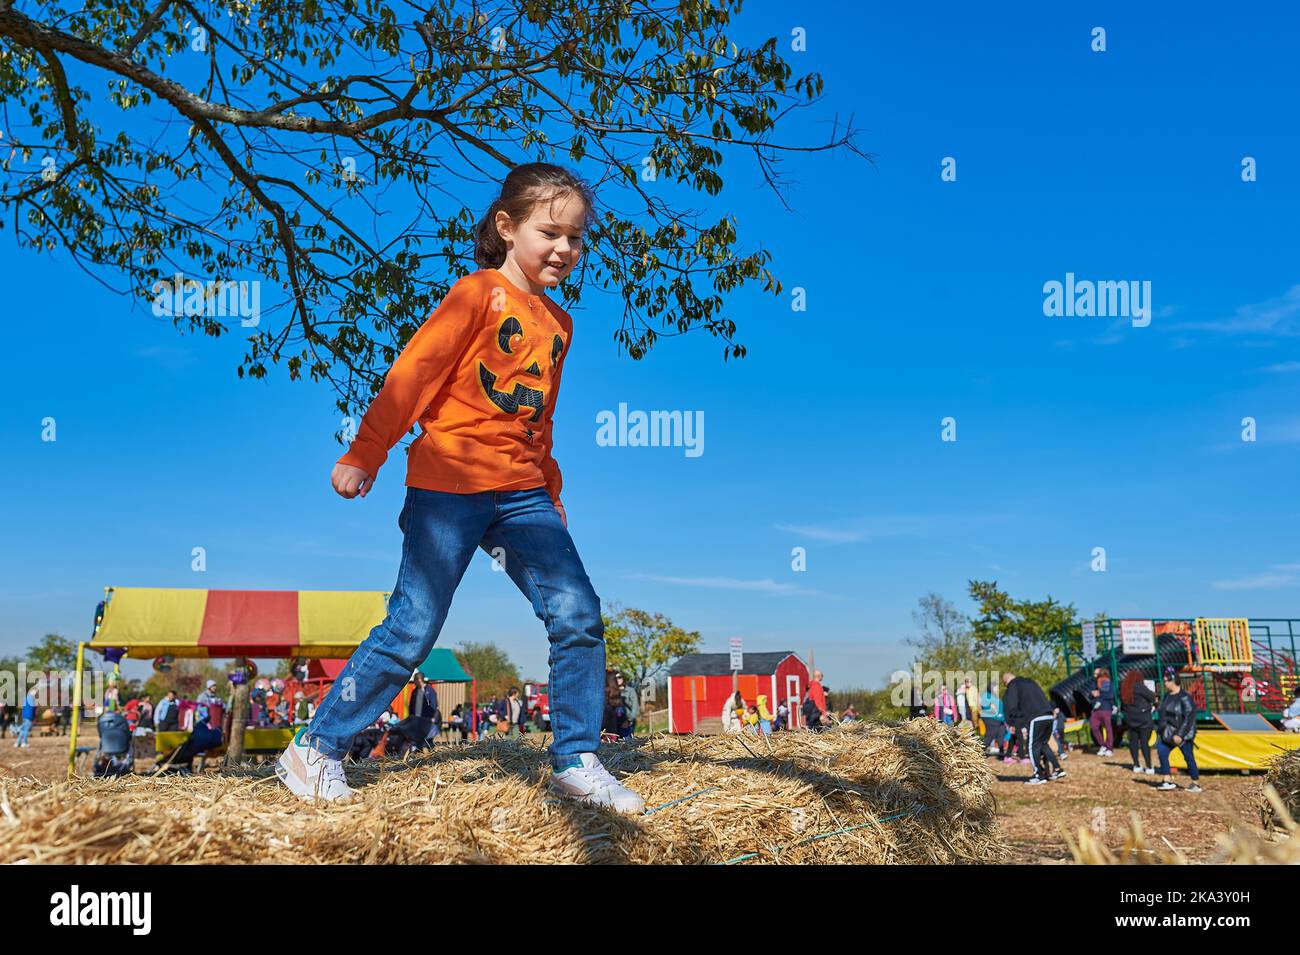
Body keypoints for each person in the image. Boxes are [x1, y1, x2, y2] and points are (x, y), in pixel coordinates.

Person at [276, 165, 642, 812]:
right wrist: (367, 451)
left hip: (524, 493)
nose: (565, 249)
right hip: (448, 483)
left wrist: (550, 495)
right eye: (550, 232)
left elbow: (540, 417)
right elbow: (412, 374)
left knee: (578, 613)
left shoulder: (560, 324)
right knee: (413, 625)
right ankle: (315, 747)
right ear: (507, 227)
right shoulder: (476, 295)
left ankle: (577, 757)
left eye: (576, 238)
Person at [1001, 671, 1063, 784]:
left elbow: (1011, 706)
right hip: (1049, 715)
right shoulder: (1030, 682)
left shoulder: (1013, 686)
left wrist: (1012, 723)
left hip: (1036, 717)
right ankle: (1057, 769)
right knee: (1043, 744)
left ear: (1006, 682)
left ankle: (1038, 775)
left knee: (1032, 746)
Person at [1155, 668, 1201, 792]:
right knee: (1162, 751)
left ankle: (1195, 782)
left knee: (1188, 757)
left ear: (1173, 681)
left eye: (1166, 681)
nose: (1164, 683)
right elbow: (1163, 715)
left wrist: (1180, 735)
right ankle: (1166, 779)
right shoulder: (1166, 696)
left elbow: (1189, 718)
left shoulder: (1185, 698)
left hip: (1182, 734)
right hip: (1167, 733)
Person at [1121, 672, 1157, 774]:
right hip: (1143, 719)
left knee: (1133, 742)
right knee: (1144, 743)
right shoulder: (1140, 687)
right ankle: (1149, 766)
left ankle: (1136, 765)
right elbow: (1152, 697)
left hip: (1130, 719)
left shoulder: (1124, 688)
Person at [1088, 667, 1115, 755]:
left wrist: (1099, 694)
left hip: (1106, 708)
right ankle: (1103, 745)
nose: (1095, 675)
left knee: (1108, 728)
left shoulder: (1108, 682)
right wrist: (1093, 694)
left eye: (1097, 673)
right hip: (1096, 710)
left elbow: (1110, 695)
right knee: (1094, 727)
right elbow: (1091, 695)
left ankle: (1109, 748)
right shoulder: (1095, 683)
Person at [980, 685, 1005, 757]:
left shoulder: (996, 696)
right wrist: (990, 706)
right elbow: (985, 706)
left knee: (1001, 735)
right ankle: (979, 752)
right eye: (995, 687)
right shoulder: (987, 695)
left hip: (1000, 719)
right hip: (992, 719)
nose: (997, 689)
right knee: (990, 736)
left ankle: (1002, 754)